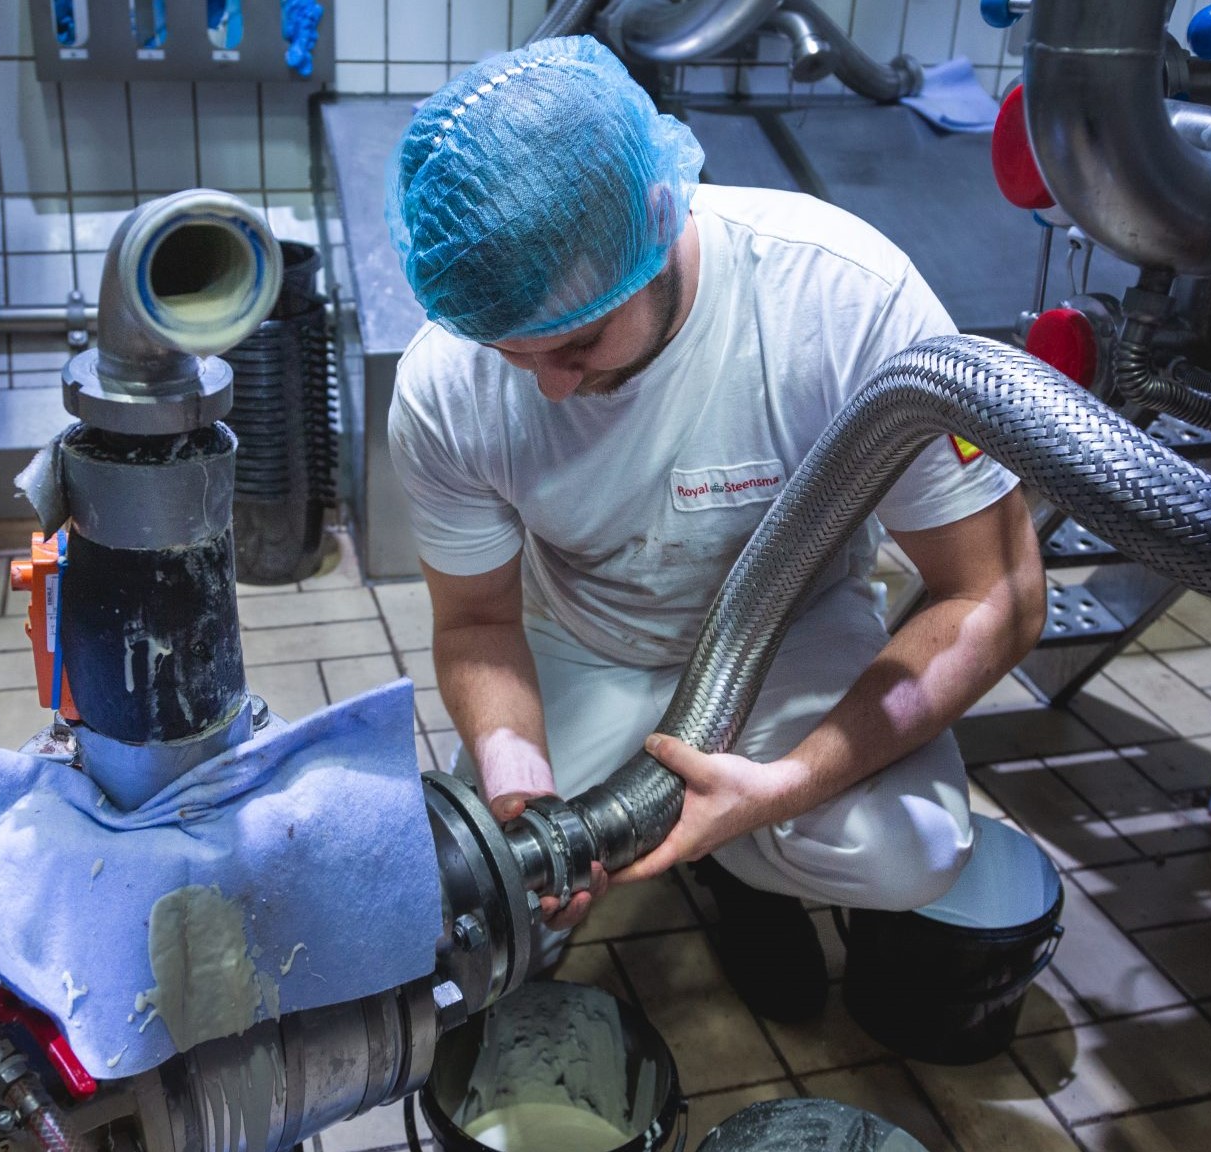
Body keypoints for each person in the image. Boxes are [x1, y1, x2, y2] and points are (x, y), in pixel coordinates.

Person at [384, 36, 1046, 1023]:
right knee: (481, 879)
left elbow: (995, 593)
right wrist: (515, 768)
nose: (549, 386)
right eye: (511, 356)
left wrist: (778, 788)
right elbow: (477, 621)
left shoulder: (840, 301)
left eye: (575, 345)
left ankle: (743, 870)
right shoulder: (446, 384)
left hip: (792, 636)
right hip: (591, 640)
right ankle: (693, 839)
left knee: (905, 849)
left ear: (658, 229)